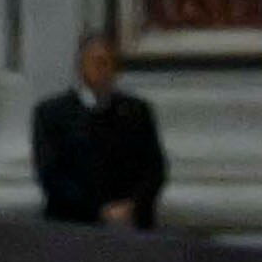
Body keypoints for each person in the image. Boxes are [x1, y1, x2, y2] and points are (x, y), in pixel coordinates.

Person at [30, 29, 167, 228]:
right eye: (97, 62)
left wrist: (132, 205)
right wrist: (99, 210)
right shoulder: (52, 114)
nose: (104, 70)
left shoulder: (136, 112)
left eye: (109, 63)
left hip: (129, 224)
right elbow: (51, 174)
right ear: (81, 66)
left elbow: (154, 168)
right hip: (73, 224)